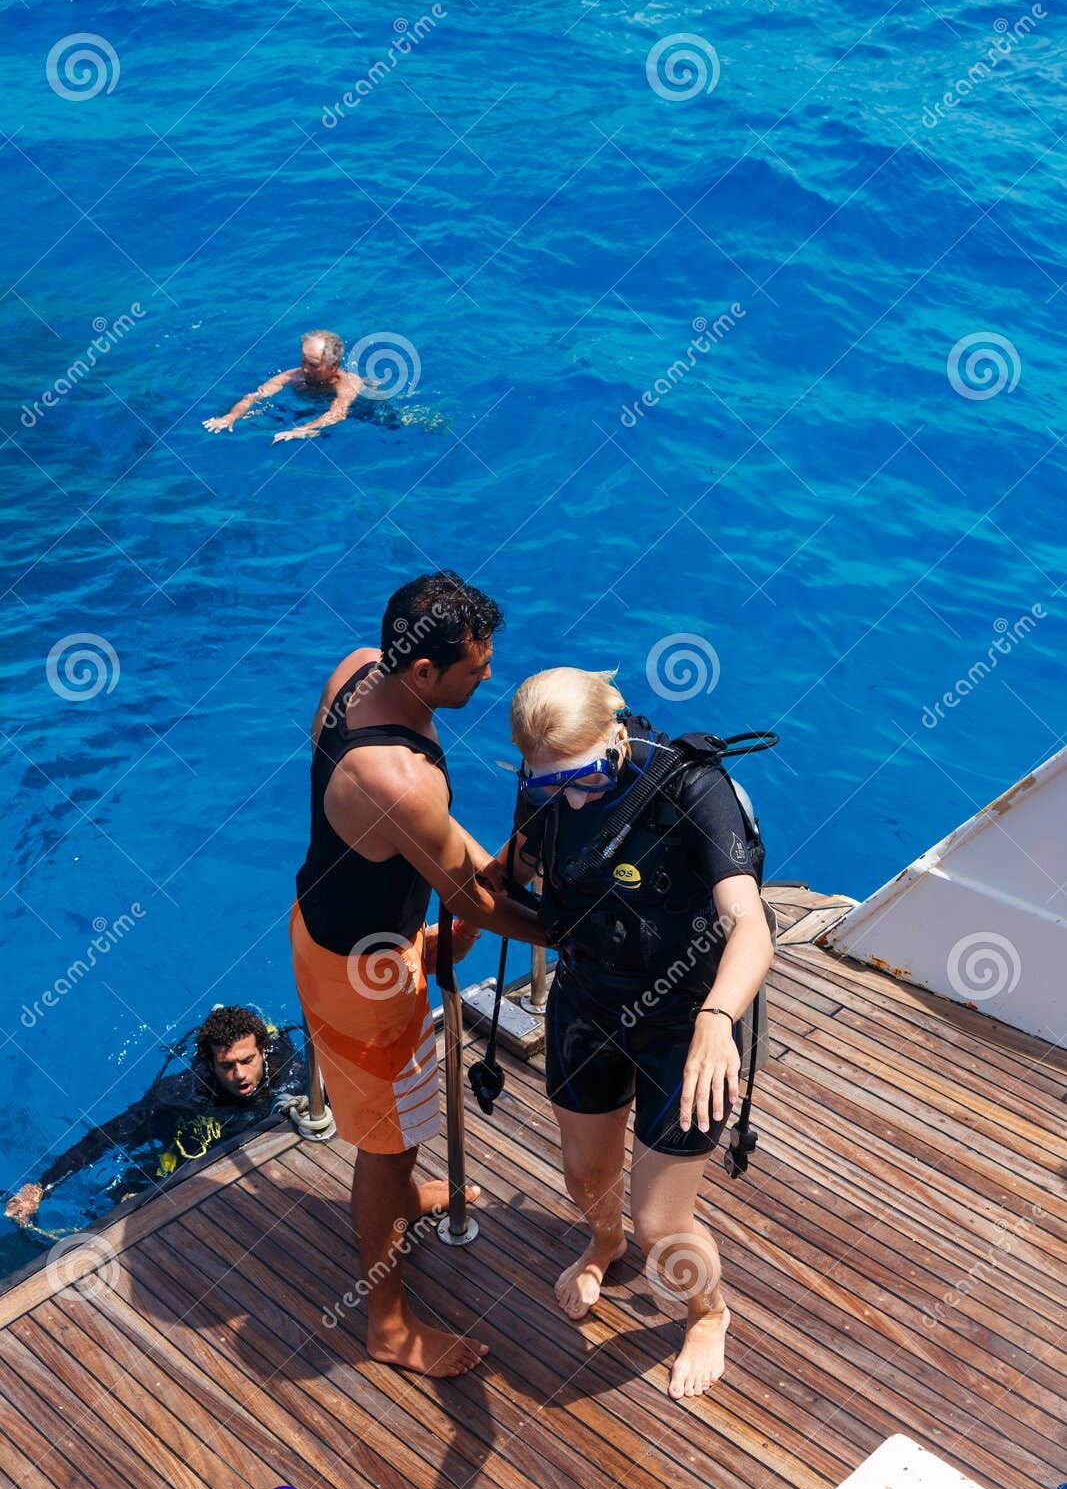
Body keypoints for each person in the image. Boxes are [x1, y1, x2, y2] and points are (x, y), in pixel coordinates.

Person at [290, 571, 546, 1379]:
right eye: (475, 668)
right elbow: (476, 900)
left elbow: (413, 839)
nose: (489, 675)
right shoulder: (399, 778)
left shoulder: (357, 669)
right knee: (390, 1144)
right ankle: (388, 1326)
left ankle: (406, 1203)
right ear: (425, 673)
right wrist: (574, 934)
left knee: (395, 1129)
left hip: (330, 929)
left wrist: (455, 871)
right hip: (361, 976)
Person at [498, 668, 775, 1402]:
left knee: (659, 1222)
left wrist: (718, 1023)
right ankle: (601, 1242)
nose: (570, 797)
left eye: (585, 775)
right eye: (545, 784)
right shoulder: (548, 793)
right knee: (585, 1178)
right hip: (588, 1002)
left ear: (614, 733)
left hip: (686, 1024)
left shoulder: (691, 790)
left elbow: (750, 924)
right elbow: (509, 875)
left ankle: (708, 1312)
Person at [5, 1006, 305, 1228]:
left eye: (247, 1060)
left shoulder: (287, 1063)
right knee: (133, 1188)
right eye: (226, 1065)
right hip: (193, 1125)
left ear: (262, 1052)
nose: (239, 1074)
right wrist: (40, 1188)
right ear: (209, 1063)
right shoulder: (182, 1092)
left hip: (241, 1128)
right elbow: (104, 1136)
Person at [202, 331, 363, 444]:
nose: (305, 369)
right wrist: (231, 416)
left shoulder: (347, 384)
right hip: (312, 407)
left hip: (359, 409)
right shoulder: (292, 376)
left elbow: (337, 414)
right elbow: (254, 397)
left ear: (334, 365)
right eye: (303, 361)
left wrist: (300, 430)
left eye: (313, 365)